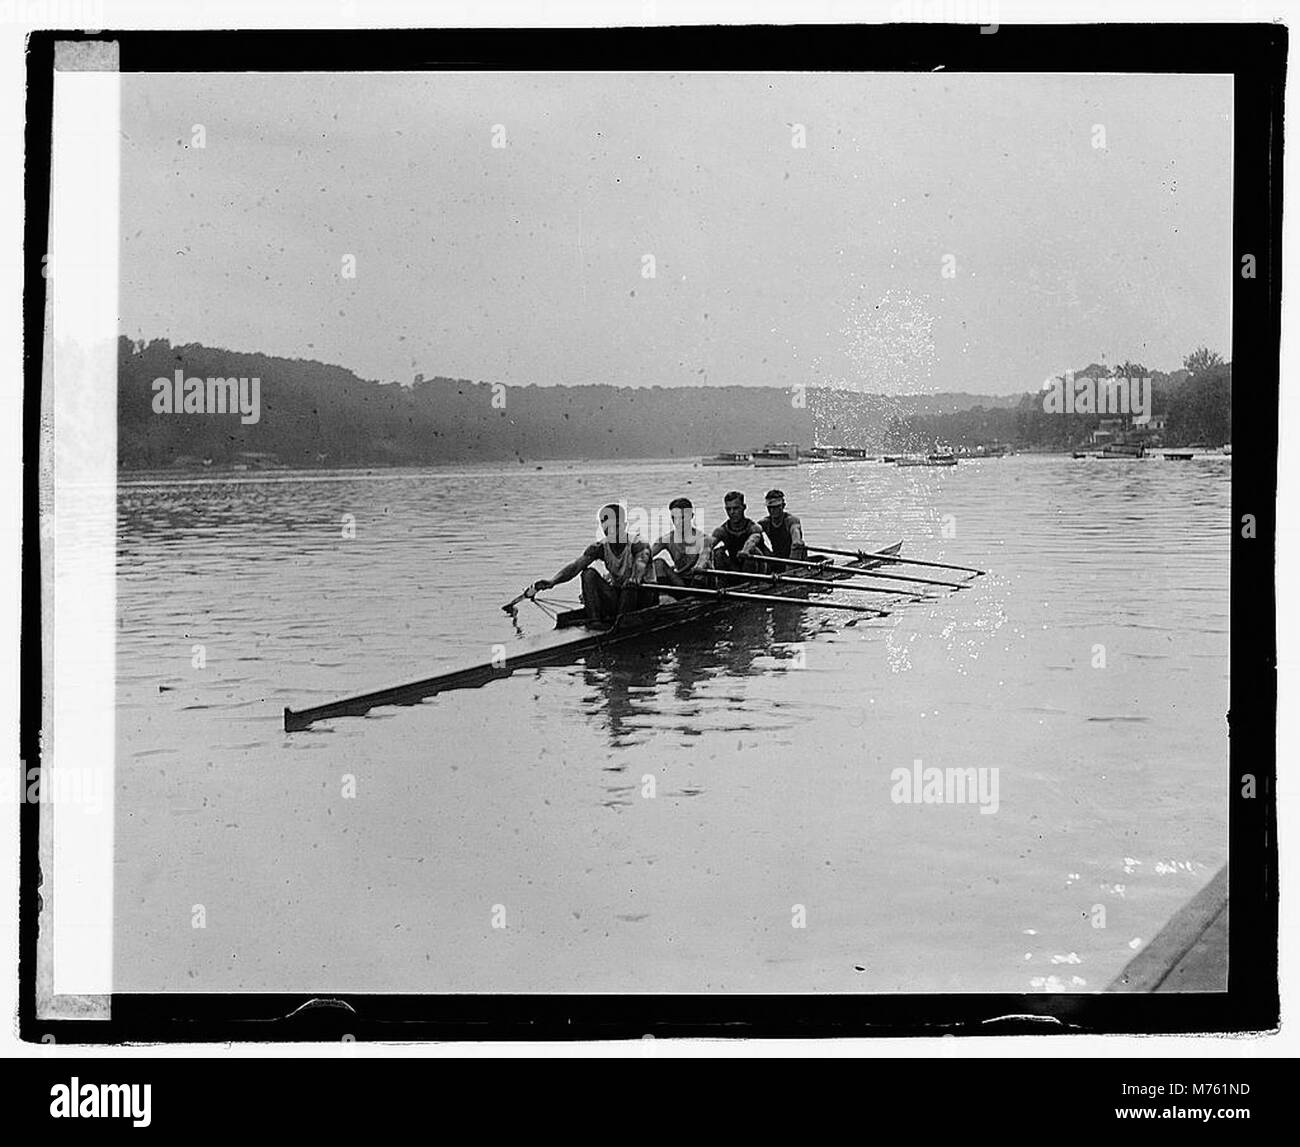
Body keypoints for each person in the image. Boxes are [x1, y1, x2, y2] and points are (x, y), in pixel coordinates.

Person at [528, 503, 656, 622]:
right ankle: (595, 621)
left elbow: (641, 563)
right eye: (607, 528)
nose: (610, 531)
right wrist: (552, 581)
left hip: (643, 596)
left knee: (630, 587)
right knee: (588, 574)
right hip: (620, 595)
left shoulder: (638, 544)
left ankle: (622, 625)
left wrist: (635, 578)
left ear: (624, 525)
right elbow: (575, 567)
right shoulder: (599, 547)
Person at [649, 497, 713, 590]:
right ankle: (663, 595)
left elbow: (704, 557)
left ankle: (697, 597)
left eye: (682, 517)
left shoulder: (703, 539)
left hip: (699, 582)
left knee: (705, 566)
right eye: (674, 518)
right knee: (658, 563)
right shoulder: (666, 539)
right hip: (680, 582)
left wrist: (699, 566)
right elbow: (646, 556)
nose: (678, 522)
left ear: (691, 516)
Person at [708, 491, 766, 571]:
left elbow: (752, 540)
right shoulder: (721, 531)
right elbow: (708, 545)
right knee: (717, 552)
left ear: (744, 507)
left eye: (736, 508)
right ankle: (722, 581)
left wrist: (745, 551)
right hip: (736, 568)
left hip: (758, 569)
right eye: (728, 509)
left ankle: (752, 582)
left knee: (752, 550)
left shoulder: (754, 528)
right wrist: (700, 562)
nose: (732, 512)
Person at [757, 488, 807, 561]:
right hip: (778, 557)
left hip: (796, 559)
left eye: (776, 507)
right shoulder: (765, 523)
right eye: (770, 507)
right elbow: (751, 532)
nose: (773, 510)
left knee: (797, 545)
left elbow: (796, 537)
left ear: (783, 506)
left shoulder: (791, 521)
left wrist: (796, 541)